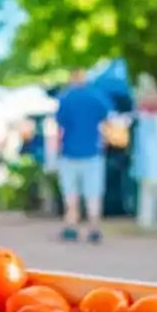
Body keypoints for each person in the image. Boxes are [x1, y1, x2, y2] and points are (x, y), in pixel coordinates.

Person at [55, 68, 113, 242]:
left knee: (71, 192)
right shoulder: (96, 96)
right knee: (93, 192)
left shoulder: (66, 97)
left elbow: (60, 124)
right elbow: (107, 118)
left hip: (70, 151)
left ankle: (72, 226)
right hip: (93, 151)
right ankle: (94, 227)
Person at [132, 74, 157, 230]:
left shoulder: (146, 116)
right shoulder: (156, 116)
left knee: (152, 190)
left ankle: (151, 219)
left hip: (151, 157)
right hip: (153, 156)